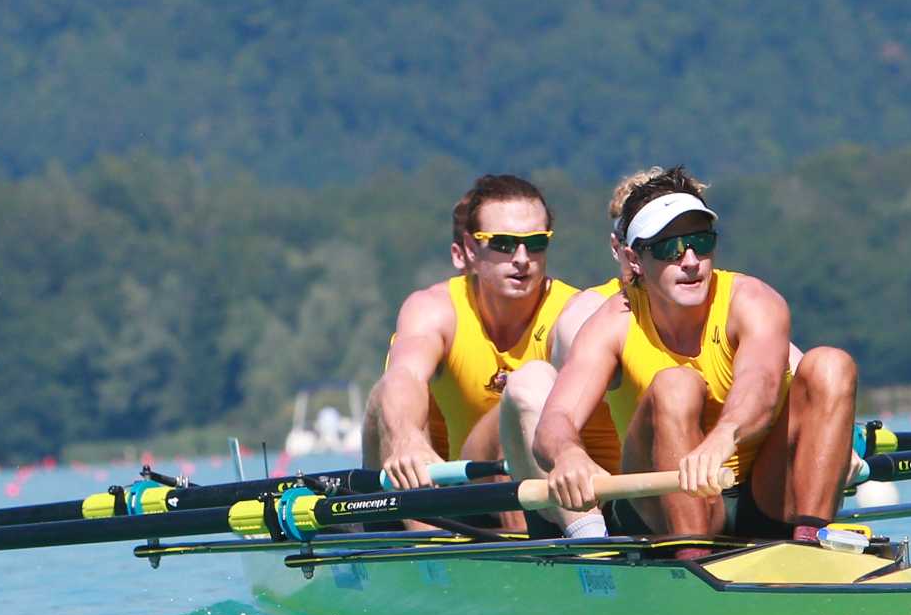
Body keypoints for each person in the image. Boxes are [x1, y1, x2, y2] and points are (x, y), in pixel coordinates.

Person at [529, 167, 860, 540]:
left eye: (700, 242)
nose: (689, 260)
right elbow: (553, 421)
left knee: (832, 364)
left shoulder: (753, 301)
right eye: (669, 248)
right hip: (660, 506)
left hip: (761, 496)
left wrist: (723, 437)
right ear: (633, 259)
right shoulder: (611, 322)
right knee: (675, 383)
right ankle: (692, 553)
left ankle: (812, 542)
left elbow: (761, 385)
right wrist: (568, 453)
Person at [366, 174, 621, 491]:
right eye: (503, 244)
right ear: (470, 249)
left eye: (537, 243)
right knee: (383, 398)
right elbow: (404, 375)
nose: (522, 259)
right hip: (477, 485)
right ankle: (422, 538)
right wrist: (407, 438)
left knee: (513, 408)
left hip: (574, 487)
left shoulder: (572, 313)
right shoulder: (434, 308)